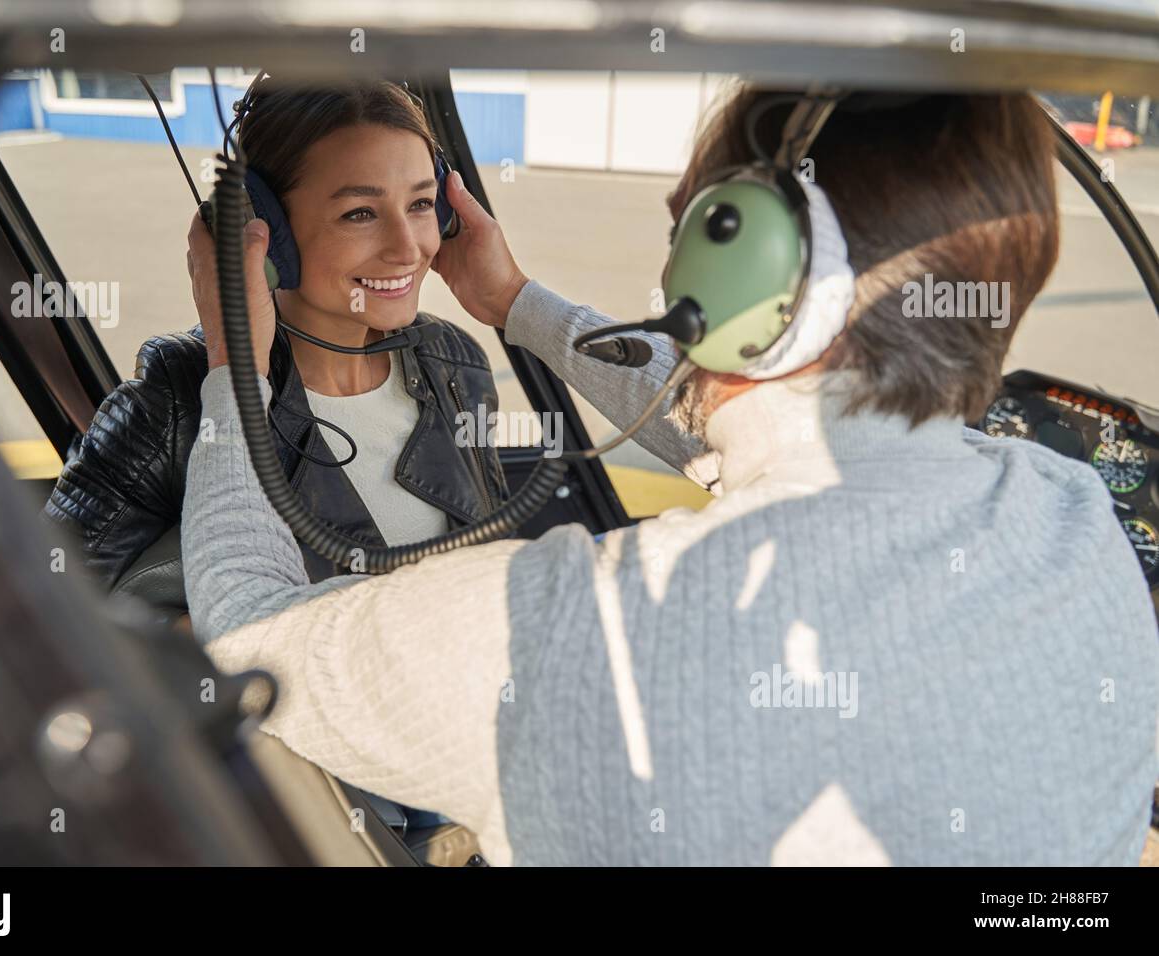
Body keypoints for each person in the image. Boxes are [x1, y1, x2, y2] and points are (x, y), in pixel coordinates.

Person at [180, 86, 1159, 865]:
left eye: (694, 228)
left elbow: (248, 635)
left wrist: (233, 364)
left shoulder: (575, 633)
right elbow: (761, 432)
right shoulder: (1076, 519)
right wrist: (514, 301)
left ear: (754, 273)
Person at [41, 78, 508, 592]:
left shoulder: (454, 364)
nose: (407, 248)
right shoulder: (172, 402)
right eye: (360, 213)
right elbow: (39, 612)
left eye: (420, 205)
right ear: (263, 227)